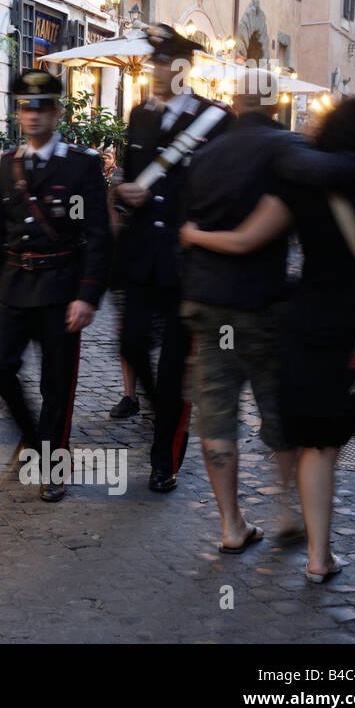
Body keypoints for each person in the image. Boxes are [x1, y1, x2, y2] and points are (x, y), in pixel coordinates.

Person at [181, 98, 355, 581]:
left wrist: (194, 235)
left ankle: (319, 558)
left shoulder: (301, 186)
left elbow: (246, 240)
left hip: (313, 324)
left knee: (319, 444)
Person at [0, 71, 110, 501]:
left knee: (57, 384)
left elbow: (99, 236)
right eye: (26, 107)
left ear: (57, 111)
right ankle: (32, 436)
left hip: (60, 287)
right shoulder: (9, 163)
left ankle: (52, 464)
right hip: (14, 285)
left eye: (42, 107)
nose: (32, 116)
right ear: (18, 113)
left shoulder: (81, 165)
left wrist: (87, 296)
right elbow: (0, 231)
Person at [112, 25, 231, 491]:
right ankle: (161, 411)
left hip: (186, 263)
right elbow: (129, 176)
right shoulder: (139, 116)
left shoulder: (215, 120)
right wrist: (123, 193)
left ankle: (165, 460)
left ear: (184, 68)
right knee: (131, 345)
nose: (158, 70)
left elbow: (225, 189)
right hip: (141, 258)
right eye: (154, 62)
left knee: (175, 367)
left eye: (166, 63)